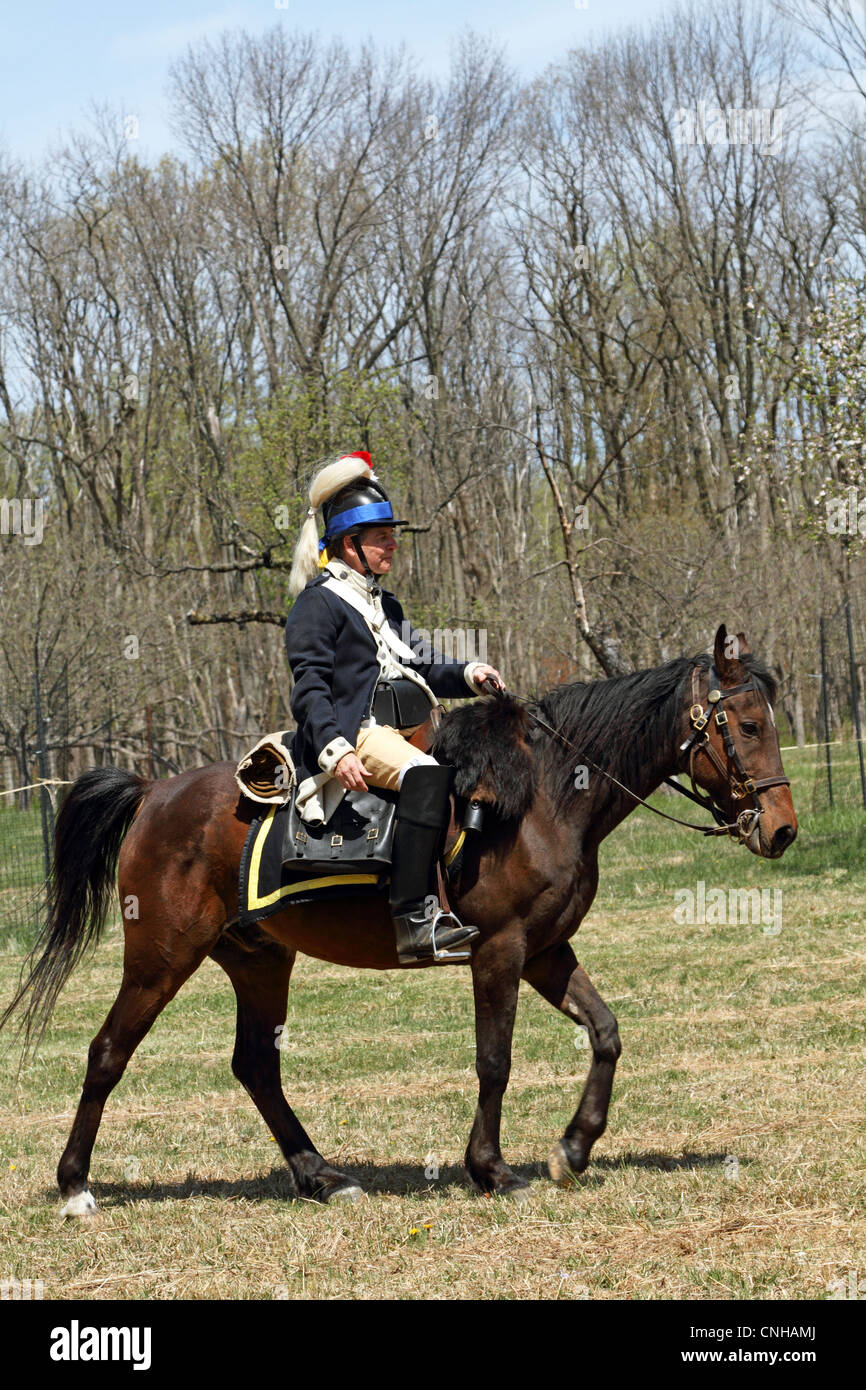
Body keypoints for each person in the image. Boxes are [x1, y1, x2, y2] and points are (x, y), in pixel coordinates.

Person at [285, 451, 504, 965]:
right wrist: (335, 750)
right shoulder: (317, 604)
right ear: (349, 544)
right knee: (427, 776)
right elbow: (310, 686)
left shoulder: (387, 605)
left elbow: (422, 664)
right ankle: (413, 919)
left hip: (410, 725)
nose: (392, 543)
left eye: (391, 533)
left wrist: (469, 673)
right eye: (381, 535)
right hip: (359, 731)